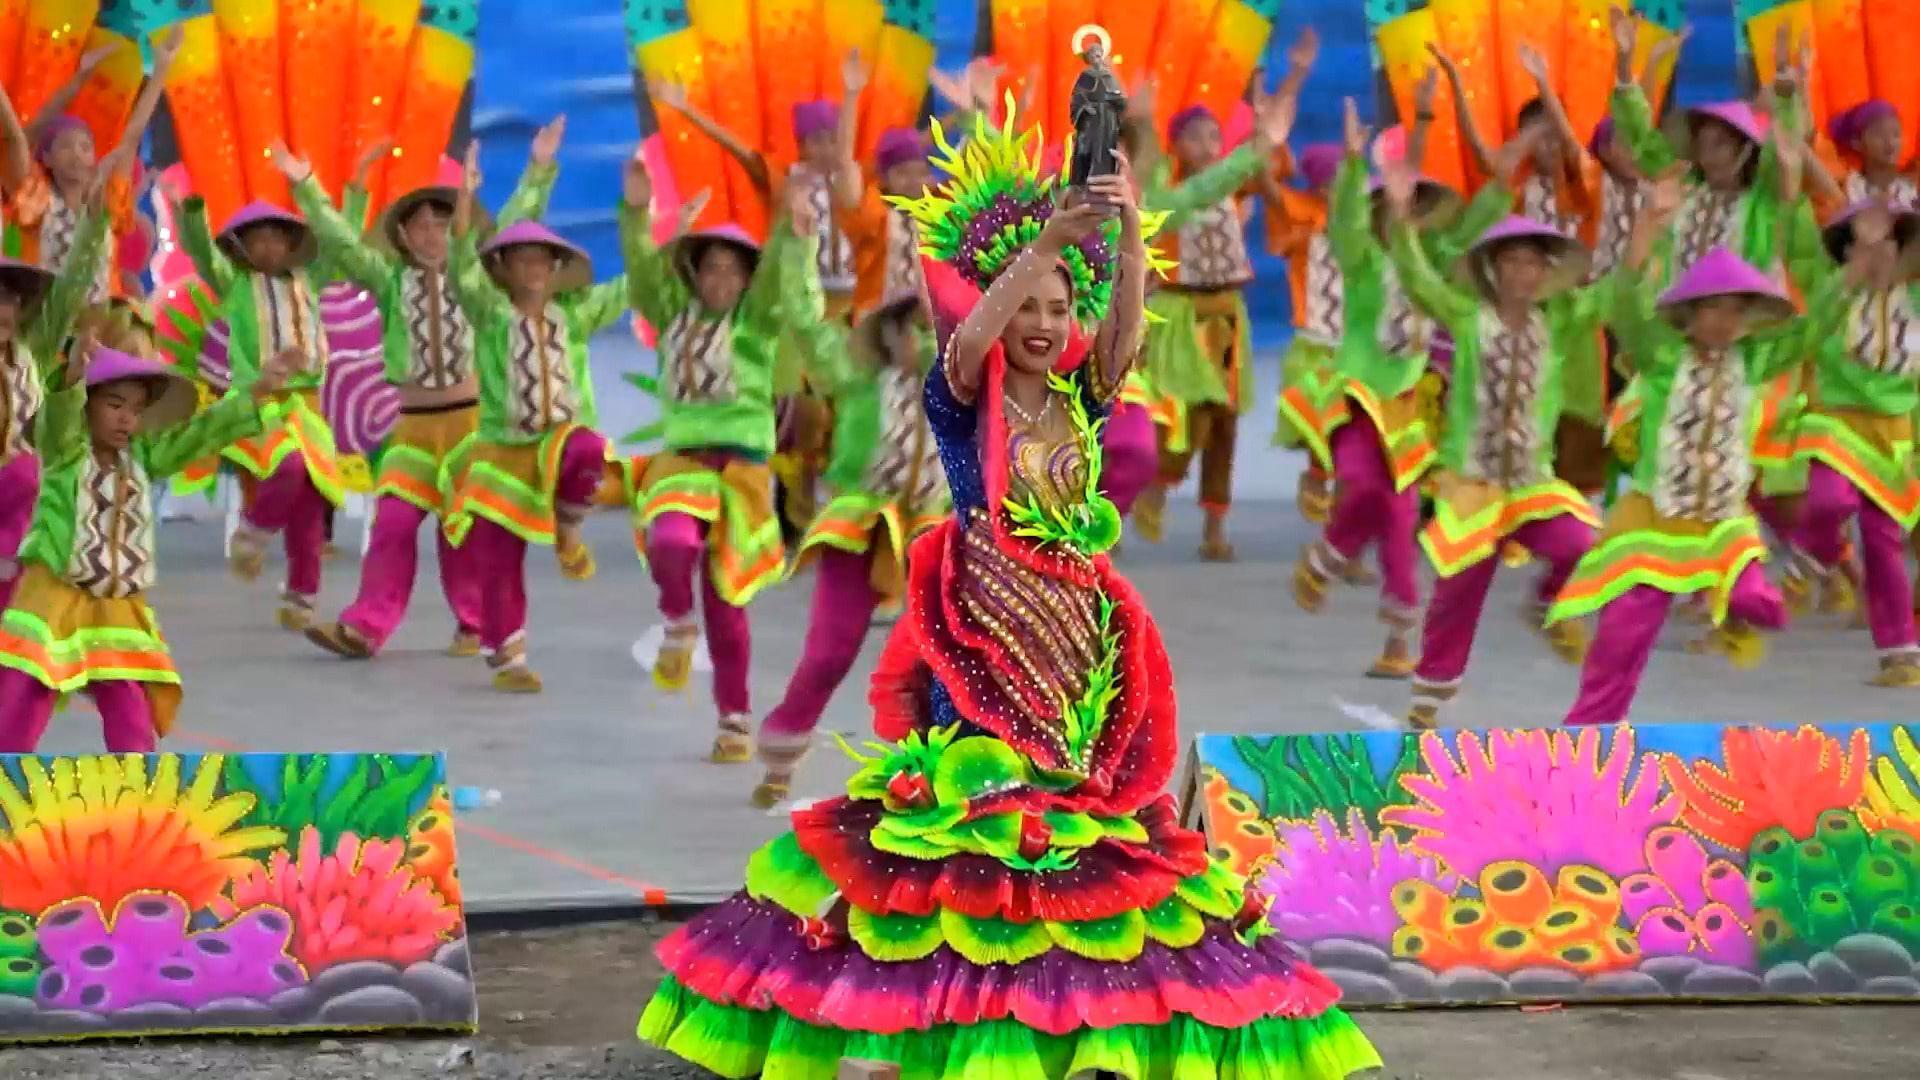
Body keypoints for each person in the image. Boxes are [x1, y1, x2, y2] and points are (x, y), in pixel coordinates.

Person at [635, 101, 1382, 1080]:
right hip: (980, 630)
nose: (1041, 323)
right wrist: (1048, 246)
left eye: (1056, 309)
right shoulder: (961, 395)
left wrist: (1126, 227)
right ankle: (932, 1024)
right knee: (976, 828)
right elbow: (976, 331)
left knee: (1071, 831)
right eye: (1025, 305)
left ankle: (1058, 1023)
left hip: (1075, 640)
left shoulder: (1081, 397)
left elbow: (1126, 325)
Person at [1550, 161, 1845, 723]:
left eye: (1736, 309)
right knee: (1623, 634)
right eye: (1714, 307)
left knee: (1758, 602)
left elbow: (1815, 330)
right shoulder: (1662, 355)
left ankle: (1730, 614)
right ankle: (1587, 735)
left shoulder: (1754, 359)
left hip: (1722, 522)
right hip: (1655, 515)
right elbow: (1626, 307)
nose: (1725, 320)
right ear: (1691, 312)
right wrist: (1644, 234)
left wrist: (1853, 275)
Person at [279, 122, 561, 661]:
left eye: (442, 223)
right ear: (404, 237)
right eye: (421, 226)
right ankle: (365, 627)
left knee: (464, 530)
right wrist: (306, 184)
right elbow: (341, 242)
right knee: (393, 522)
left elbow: (517, 219)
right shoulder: (389, 281)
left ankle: (477, 623)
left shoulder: (480, 276)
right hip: (411, 429)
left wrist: (539, 167)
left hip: (469, 427)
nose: (432, 234)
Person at [1288, 94, 1517, 679]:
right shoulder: (1363, 259)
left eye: (1413, 204)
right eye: (1391, 204)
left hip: (1411, 406)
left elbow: (1481, 220)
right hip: (1359, 397)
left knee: (1399, 514)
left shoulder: (1434, 260)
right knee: (1366, 485)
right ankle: (1332, 554)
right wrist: (1352, 161)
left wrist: (1495, 177)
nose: (1402, 212)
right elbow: (1345, 222)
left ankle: (1396, 639)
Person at [0, 324, 298, 751]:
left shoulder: (142, 458)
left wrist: (257, 392)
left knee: (129, 706)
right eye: (114, 404)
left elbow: (201, 433)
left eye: (136, 409)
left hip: (117, 602)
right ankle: (6, 779)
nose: (126, 418)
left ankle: (137, 782)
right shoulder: (65, 453)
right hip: (53, 595)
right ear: (86, 404)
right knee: (24, 697)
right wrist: (72, 378)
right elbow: (56, 421)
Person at [1380, 193, 1613, 728]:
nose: (1522, 273)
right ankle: (1430, 692)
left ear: (1545, 273)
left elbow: (1610, 296)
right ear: (1492, 269)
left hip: (1531, 482)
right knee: (1459, 588)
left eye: (1532, 263)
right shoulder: (1468, 319)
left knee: (1581, 543)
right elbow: (1420, 283)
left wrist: (1647, 228)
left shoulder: (1556, 324)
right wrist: (1403, 226)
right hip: (1473, 482)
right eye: (1511, 262)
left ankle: (1546, 602)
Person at [623, 160, 807, 760]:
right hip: (684, 463)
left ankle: (735, 718)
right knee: (672, 540)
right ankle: (678, 623)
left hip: (744, 472)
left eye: (733, 269)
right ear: (695, 274)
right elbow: (643, 274)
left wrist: (791, 223)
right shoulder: (671, 316)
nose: (722, 279)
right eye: (711, 267)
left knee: (727, 601)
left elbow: (779, 274)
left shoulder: (756, 324)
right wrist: (636, 213)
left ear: (747, 279)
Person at [439, 142, 635, 693]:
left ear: (555, 268)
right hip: (504, 451)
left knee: (588, 445)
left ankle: (568, 525)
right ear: (503, 268)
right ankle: (508, 655)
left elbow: (634, 285)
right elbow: (461, 267)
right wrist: (465, 199)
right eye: (521, 259)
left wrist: (656, 225)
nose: (533, 269)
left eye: (542, 260)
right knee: (498, 553)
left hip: (559, 444)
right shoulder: (491, 315)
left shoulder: (575, 316)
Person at [751, 288, 946, 806]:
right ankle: (782, 753)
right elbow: (804, 322)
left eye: (931, 327)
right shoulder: (856, 378)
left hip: (932, 531)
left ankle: (933, 775)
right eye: (908, 325)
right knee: (830, 651)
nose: (919, 339)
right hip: (858, 522)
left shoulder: (963, 385)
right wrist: (796, 248)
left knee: (937, 662)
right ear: (887, 330)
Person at [1130, 28, 1315, 560]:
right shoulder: (1167, 193)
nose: (1209, 146)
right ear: (1176, 147)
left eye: (1215, 137)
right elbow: (1149, 165)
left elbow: (1266, 141)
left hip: (1228, 314)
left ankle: (1214, 527)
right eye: (1196, 138)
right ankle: (1158, 484)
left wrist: (1295, 76)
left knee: (1225, 423)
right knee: (1188, 416)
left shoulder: (1234, 185)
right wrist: (1143, 120)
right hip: (1180, 314)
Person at [1783, 192, 1920, 687]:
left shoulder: (1915, 300)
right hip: (1836, 420)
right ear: (1845, 254)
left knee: (1884, 543)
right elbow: (1807, 331)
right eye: (1864, 245)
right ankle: (1814, 551)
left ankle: (1900, 654)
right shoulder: (1834, 297)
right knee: (1829, 500)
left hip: (1892, 431)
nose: (1880, 254)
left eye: (1890, 244)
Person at [1, 30, 181, 303]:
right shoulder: (38, 202)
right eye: (65, 146)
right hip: (44, 321)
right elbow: (17, 138)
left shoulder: (107, 205)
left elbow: (132, 135)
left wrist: (161, 68)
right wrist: (79, 80)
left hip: (99, 321)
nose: (76, 153)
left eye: (85, 147)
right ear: (47, 158)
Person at [0, 197, 111, 612]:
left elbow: (70, 291)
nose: (3, 310)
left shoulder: (33, 351)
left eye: (9, 299)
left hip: (25, 505)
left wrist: (93, 223)